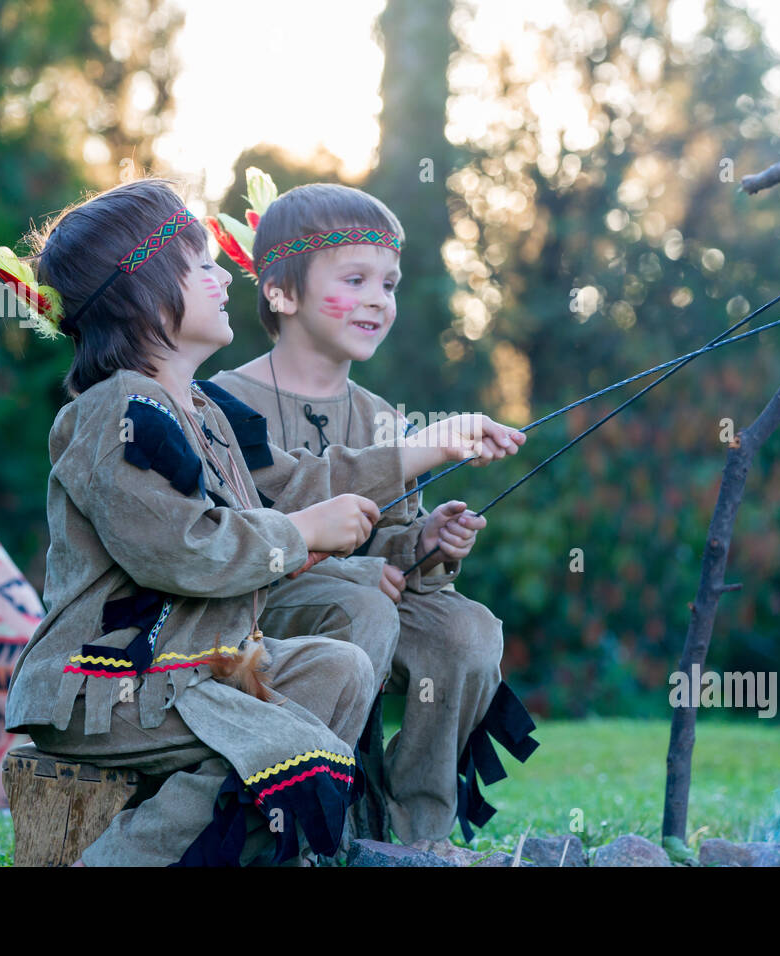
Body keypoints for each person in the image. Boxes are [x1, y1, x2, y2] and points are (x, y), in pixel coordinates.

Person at [0, 177, 523, 865]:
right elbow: (185, 551)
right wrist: (308, 533)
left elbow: (294, 486)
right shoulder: (121, 411)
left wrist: (419, 487)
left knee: (340, 671)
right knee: (287, 753)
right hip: (113, 682)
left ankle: (277, 835)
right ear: (144, 293)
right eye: (201, 265)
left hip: (199, 666)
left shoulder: (201, 413)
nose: (226, 275)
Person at [209, 171, 539, 846]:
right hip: (254, 614)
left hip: (372, 607)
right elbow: (280, 506)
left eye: (387, 284)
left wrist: (429, 544)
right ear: (281, 291)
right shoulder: (221, 400)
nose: (377, 301)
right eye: (353, 280)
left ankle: (418, 834)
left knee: (466, 629)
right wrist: (416, 457)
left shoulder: (381, 415)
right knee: (359, 605)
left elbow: (387, 546)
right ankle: (309, 826)